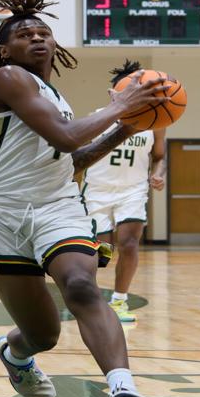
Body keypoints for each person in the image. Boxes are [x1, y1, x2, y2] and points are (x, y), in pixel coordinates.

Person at [0, 0, 170, 397]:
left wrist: (125, 128)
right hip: (1, 214)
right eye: (25, 34)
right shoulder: (7, 78)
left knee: (81, 285)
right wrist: (122, 106)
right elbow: (64, 138)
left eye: (44, 32)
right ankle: (14, 354)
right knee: (42, 335)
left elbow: (72, 161)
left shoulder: (55, 97)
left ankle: (123, 389)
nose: (37, 38)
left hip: (58, 206)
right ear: (5, 49)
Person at [80, 60, 166, 323]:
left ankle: (119, 301)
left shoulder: (156, 122)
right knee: (100, 252)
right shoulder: (99, 117)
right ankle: (87, 300)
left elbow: (159, 156)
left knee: (129, 244)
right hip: (97, 190)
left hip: (133, 190)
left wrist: (158, 173)